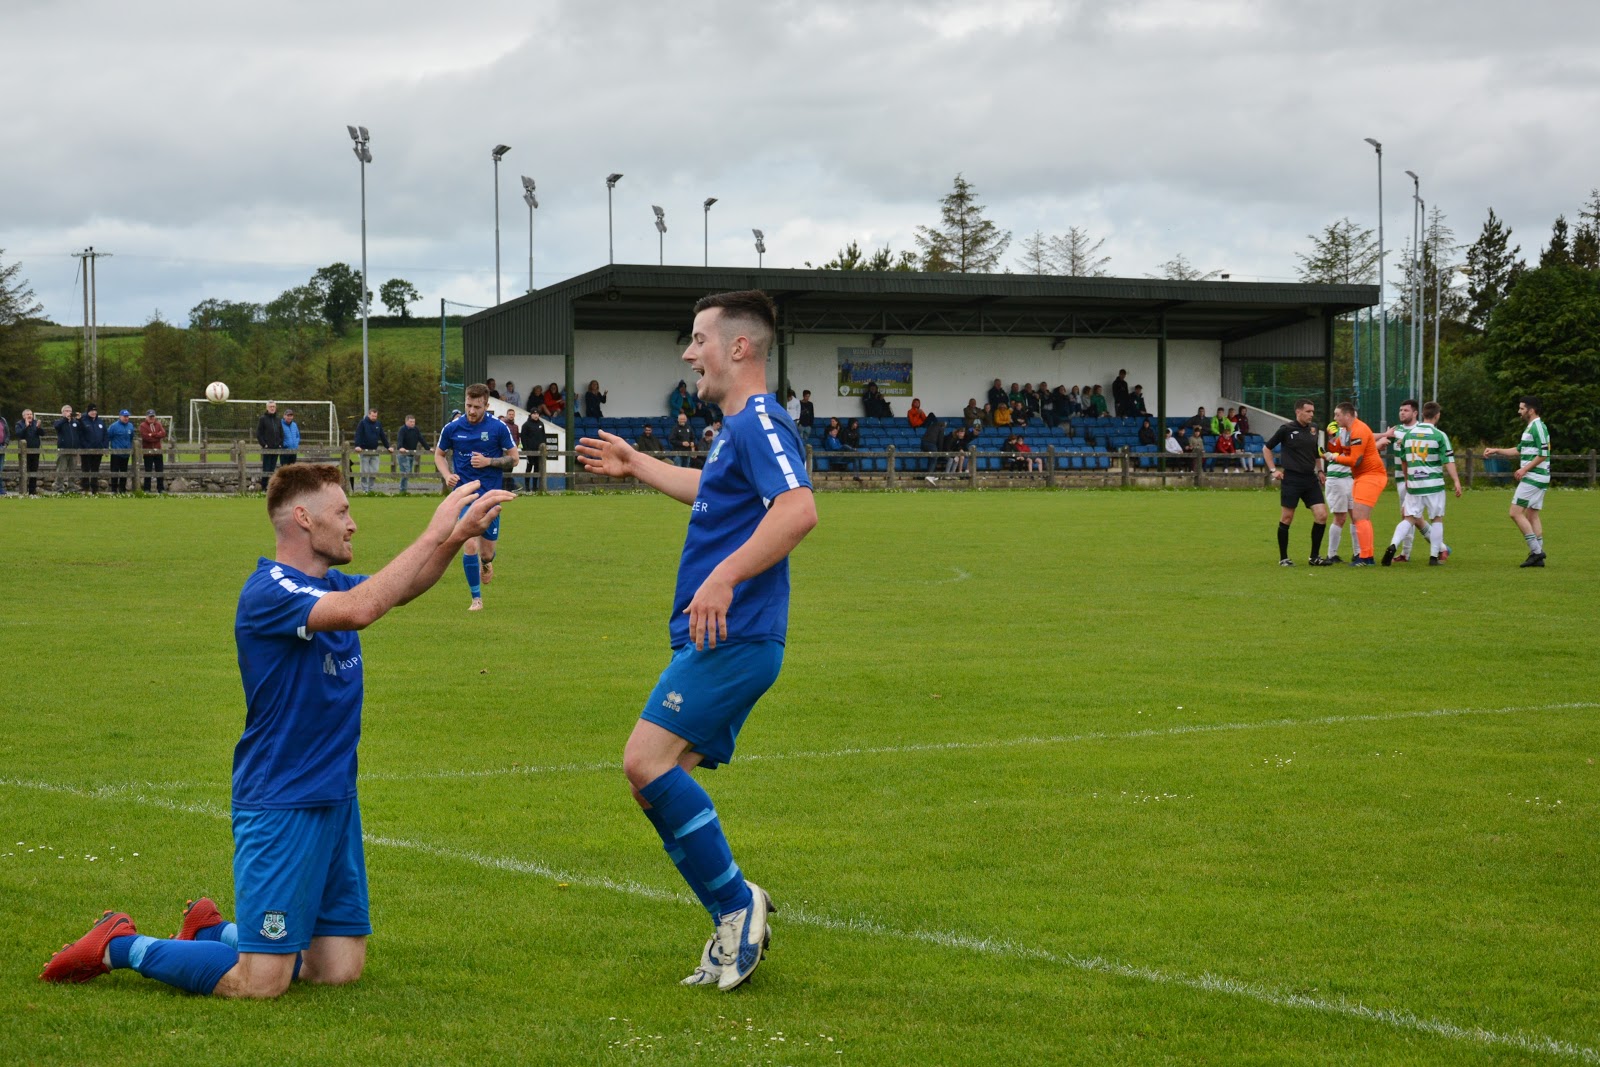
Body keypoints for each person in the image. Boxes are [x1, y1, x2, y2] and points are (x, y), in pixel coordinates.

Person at [38, 464, 511, 998]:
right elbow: (363, 609)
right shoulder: (271, 589)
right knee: (261, 982)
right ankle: (119, 943)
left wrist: (455, 537)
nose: (353, 524)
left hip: (334, 797)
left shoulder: (325, 584)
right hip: (280, 799)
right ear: (304, 519)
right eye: (343, 512)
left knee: (336, 970)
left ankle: (213, 931)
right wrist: (432, 530)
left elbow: (396, 592)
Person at [576, 289, 816, 992]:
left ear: (739, 347)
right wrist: (638, 465)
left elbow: (798, 509)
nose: (689, 353)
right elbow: (714, 490)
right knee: (653, 778)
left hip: (735, 632)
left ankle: (737, 902)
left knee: (644, 762)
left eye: (698, 338)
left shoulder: (761, 421)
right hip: (718, 635)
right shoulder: (733, 432)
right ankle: (733, 910)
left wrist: (723, 576)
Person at [434, 384, 520, 610]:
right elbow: (439, 454)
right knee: (469, 542)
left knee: (486, 551)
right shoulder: (452, 428)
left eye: (477, 407)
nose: (471, 411)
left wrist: (489, 461)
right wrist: (446, 475)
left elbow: (514, 459)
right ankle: (476, 598)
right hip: (464, 494)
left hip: (490, 497)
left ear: (486, 405)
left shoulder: (498, 428)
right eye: (468, 406)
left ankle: (486, 563)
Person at [1382, 401, 1461, 566]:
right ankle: (1433, 557)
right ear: (1437, 415)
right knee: (1437, 519)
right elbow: (1448, 460)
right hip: (1434, 484)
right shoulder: (1439, 435)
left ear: (1422, 414)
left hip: (1414, 483)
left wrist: (1407, 478)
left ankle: (1393, 545)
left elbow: (1403, 460)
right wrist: (1456, 481)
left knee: (1408, 518)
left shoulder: (1409, 435)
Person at [1483, 395, 1552, 567]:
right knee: (1532, 514)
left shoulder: (1538, 427)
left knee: (1514, 512)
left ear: (1531, 410)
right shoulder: (1530, 428)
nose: (1519, 411)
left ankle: (1536, 552)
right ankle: (1538, 557)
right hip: (1537, 476)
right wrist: (1497, 450)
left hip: (1534, 476)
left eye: (1522, 408)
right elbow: (1518, 450)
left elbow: (1544, 454)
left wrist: (1524, 469)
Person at [1261, 399, 1329, 566]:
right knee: (1287, 517)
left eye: (1313, 411)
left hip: (1310, 479)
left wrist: (1320, 470)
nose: (1311, 414)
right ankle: (1283, 558)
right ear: (1298, 412)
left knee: (1322, 515)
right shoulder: (1286, 429)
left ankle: (1314, 557)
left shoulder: (1314, 429)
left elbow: (1315, 453)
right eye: (1308, 411)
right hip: (1291, 479)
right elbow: (1266, 448)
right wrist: (1273, 470)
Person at [1324, 402, 1387, 566]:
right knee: (1359, 517)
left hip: (1371, 476)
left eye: (1337, 415)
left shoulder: (1358, 429)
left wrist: (1333, 457)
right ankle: (1366, 556)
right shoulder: (1346, 431)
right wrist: (1332, 443)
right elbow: (1343, 448)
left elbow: (1355, 460)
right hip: (1361, 477)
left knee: (1359, 516)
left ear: (1347, 415)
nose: (1335, 418)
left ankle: (1365, 557)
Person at [1381, 399, 1422, 562]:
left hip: (1417, 478)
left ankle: (1438, 547)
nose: (1402, 413)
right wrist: (1383, 441)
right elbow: (1382, 442)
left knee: (1412, 516)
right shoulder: (1396, 430)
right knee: (1409, 516)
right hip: (1400, 479)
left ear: (1415, 413)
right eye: (1400, 410)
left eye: (1406, 410)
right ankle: (1407, 553)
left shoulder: (1421, 430)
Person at [352, 409, 392, 493]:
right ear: (369, 415)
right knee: (365, 471)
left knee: (374, 471)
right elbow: (358, 435)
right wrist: (357, 446)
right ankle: (365, 490)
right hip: (364, 450)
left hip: (375, 451)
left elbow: (382, 436)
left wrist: (388, 446)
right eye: (373, 416)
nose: (374, 417)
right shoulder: (362, 423)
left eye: (376, 416)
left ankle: (370, 489)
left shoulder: (378, 424)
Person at [79, 404, 107, 493]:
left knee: (95, 469)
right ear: (88, 411)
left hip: (98, 450)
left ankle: (95, 488)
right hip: (86, 450)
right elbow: (80, 435)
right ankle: (85, 487)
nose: (94, 412)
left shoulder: (100, 422)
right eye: (91, 411)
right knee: (86, 469)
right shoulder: (83, 421)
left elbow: (105, 435)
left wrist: (104, 446)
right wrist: (85, 446)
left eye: (95, 411)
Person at [257, 401, 284, 490]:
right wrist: (264, 444)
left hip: (276, 448)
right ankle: (264, 487)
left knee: (272, 468)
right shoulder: (263, 419)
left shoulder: (278, 419)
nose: (272, 408)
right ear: (267, 408)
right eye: (270, 406)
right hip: (267, 448)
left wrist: (280, 443)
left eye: (274, 406)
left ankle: (271, 486)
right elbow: (259, 434)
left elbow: (281, 433)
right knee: (266, 468)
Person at [107, 409, 136, 493]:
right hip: (116, 453)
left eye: (127, 416)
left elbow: (131, 438)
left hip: (126, 454)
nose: (126, 418)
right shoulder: (114, 426)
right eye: (124, 416)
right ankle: (114, 490)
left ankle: (122, 490)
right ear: (120, 416)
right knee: (115, 472)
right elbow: (108, 437)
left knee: (124, 472)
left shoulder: (130, 426)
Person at [516, 410, 546, 490]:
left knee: (537, 468)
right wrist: (526, 450)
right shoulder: (526, 425)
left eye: (537, 414)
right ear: (531, 415)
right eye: (534, 414)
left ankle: (535, 487)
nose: (536, 416)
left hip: (539, 451)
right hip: (530, 450)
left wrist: (544, 445)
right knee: (529, 467)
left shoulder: (541, 424)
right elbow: (523, 438)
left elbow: (543, 436)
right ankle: (527, 487)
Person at [396, 415, 427, 494]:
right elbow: (400, 439)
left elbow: (421, 439)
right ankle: (402, 490)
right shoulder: (402, 430)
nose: (412, 423)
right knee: (405, 472)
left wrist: (428, 448)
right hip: (403, 454)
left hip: (411, 454)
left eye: (413, 422)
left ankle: (404, 490)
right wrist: (400, 447)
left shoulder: (415, 430)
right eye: (411, 422)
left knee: (408, 472)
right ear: (406, 422)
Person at [138, 410, 167, 493]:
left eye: (153, 416)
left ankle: (160, 488)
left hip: (158, 450)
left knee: (160, 469)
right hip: (148, 451)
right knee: (148, 470)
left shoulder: (158, 424)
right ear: (146, 417)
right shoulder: (143, 425)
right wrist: (157, 436)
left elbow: (163, 433)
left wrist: (153, 434)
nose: (152, 418)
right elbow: (146, 437)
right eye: (150, 416)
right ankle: (147, 488)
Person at [54, 405, 80, 494]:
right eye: (66, 410)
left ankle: (71, 486)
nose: (68, 412)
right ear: (62, 412)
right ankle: (59, 486)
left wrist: (79, 419)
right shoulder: (59, 422)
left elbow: (82, 430)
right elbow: (56, 427)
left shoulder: (75, 423)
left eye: (70, 410)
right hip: (63, 449)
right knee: (61, 469)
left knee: (72, 470)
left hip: (74, 450)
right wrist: (65, 419)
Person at [16, 409, 43, 495]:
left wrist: (39, 428)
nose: (30, 416)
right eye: (27, 414)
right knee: (24, 471)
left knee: (34, 471)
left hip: (35, 451)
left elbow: (42, 433)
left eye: (31, 414)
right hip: (24, 452)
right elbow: (19, 434)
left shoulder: (35, 423)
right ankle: (24, 490)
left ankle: (32, 491)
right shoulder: (19, 424)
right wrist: (26, 427)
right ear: (23, 416)